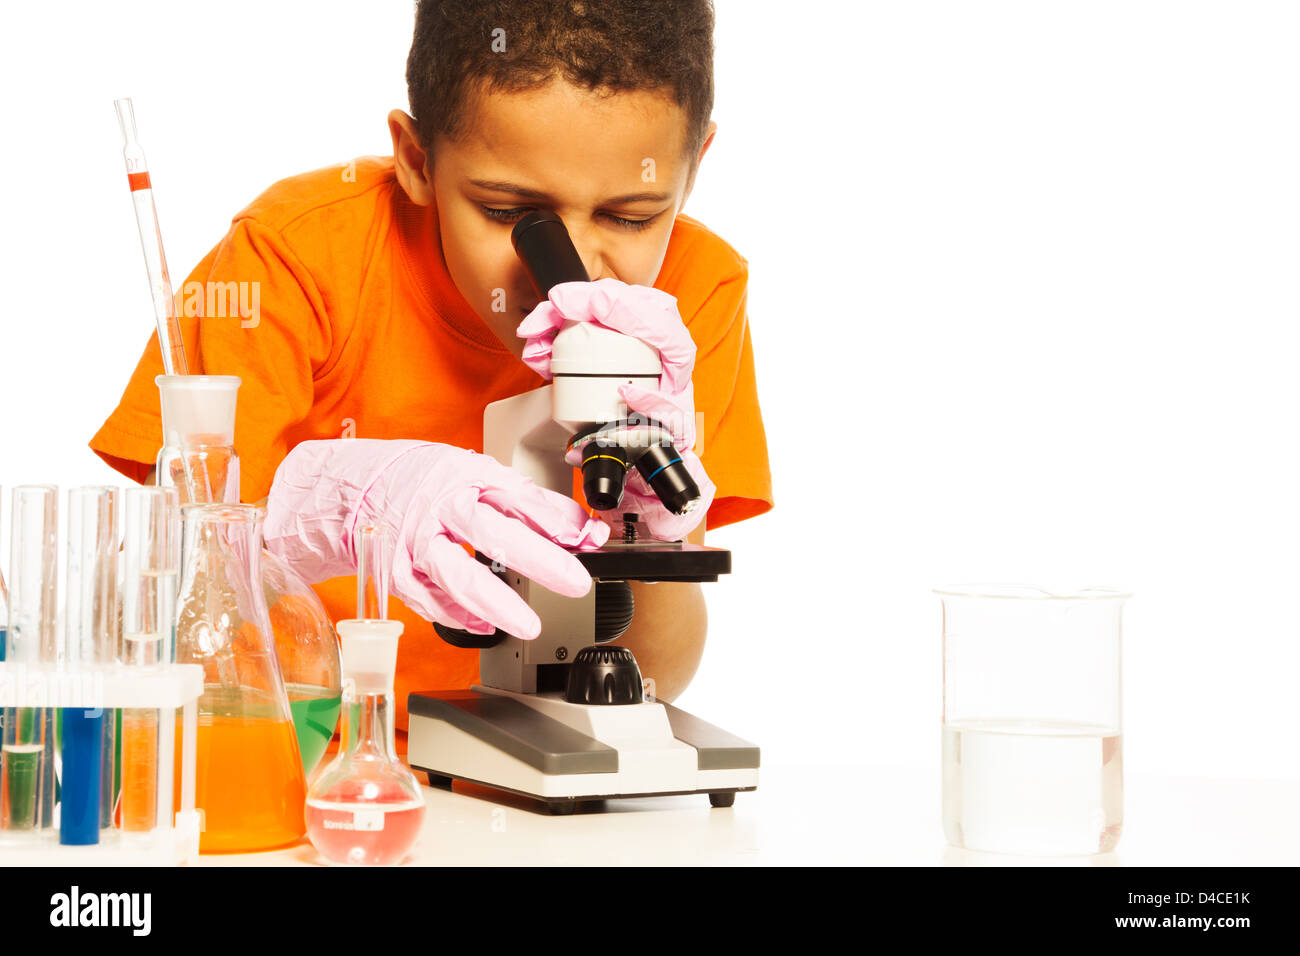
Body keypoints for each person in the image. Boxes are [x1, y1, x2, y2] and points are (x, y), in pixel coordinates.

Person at [90, 0, 773, 734]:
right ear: (418, 160)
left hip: (535, 769)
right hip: (299, 752)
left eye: (631, 217)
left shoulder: (696, 288)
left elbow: (657, 675)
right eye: (511, 211)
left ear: (694, 168)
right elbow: (153, 616)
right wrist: (337, 506)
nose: (568, 277)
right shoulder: (287, 261)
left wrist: (649, 532)